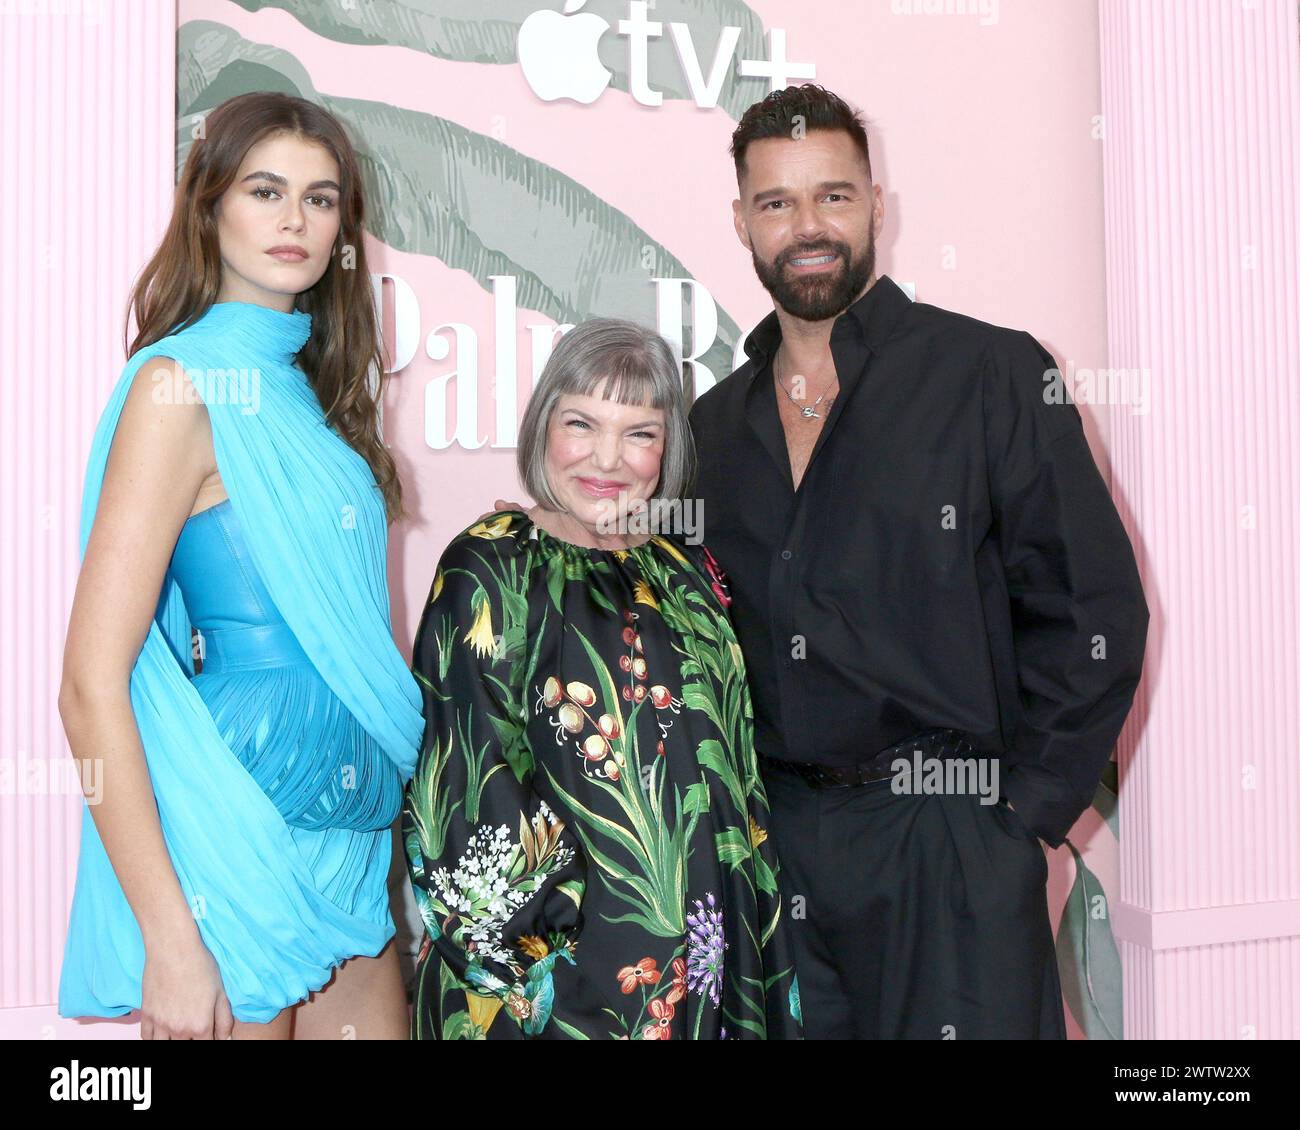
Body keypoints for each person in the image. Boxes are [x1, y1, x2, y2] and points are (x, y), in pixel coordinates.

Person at [688, 84, 1150, 1039]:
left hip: (950, 841)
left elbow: (1096, 610)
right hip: (778, 856)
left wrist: (1016, 819)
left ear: (876, 205)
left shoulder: (993, 374)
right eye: (777, 203)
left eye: (834, 195)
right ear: (741, 221)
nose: (807, 226)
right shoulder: (713, 425)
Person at [57, 92, 422, 1040]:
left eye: (321, 197)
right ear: (210, 205)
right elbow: (89, 685)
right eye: (265, 191)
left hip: (352, 835)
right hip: (235, 844)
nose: (296, 220)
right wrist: (171, 939)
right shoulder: (176, 386)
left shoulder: (313, 397)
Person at [402, 318, 802, 1039]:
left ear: (667, 447)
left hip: (707, 972)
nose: (608, 459)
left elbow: (733, 783)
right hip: (562, 990)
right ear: (542, 426)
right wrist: (549, 969)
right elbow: (462, 789)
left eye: (640, 433)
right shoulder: (490, 567)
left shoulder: (689, 574)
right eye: (581, 423)